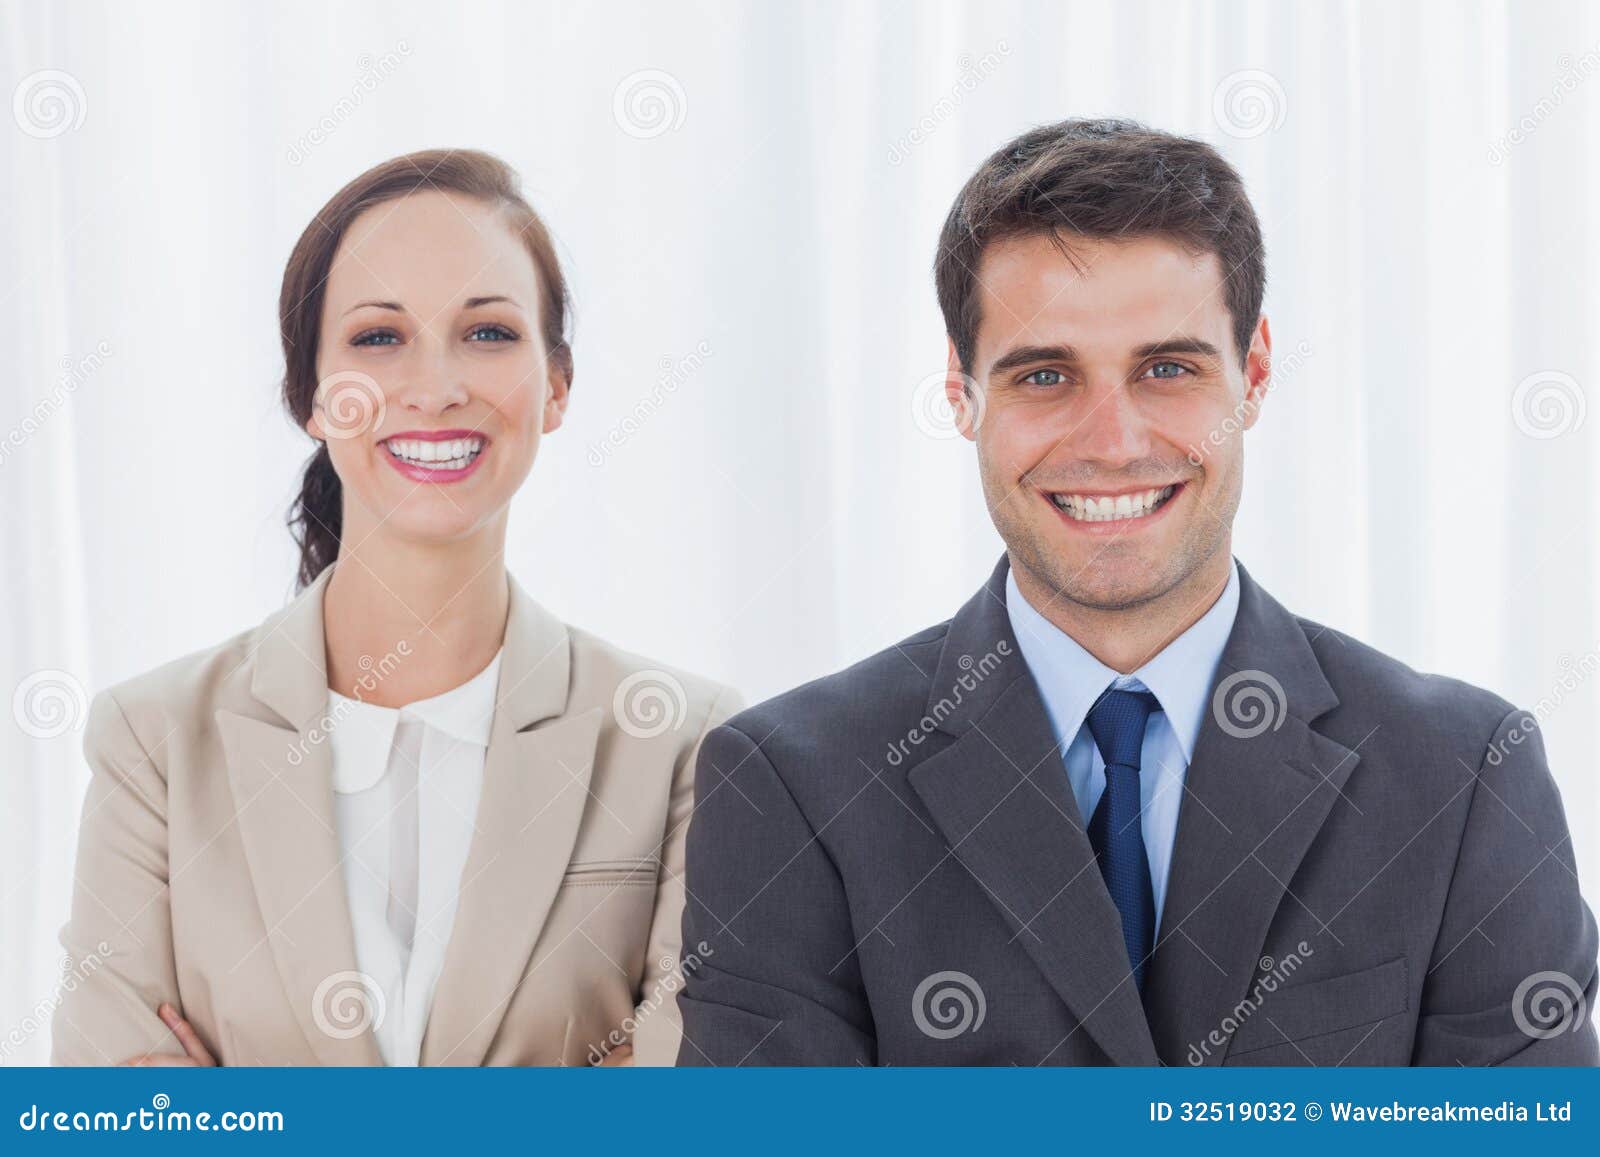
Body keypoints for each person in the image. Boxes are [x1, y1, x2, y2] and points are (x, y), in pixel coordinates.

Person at [676, 119, 1598, 1066]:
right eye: (1044, 373)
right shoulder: (793, 785)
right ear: (961, 391)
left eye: (1167, 369)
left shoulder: (1464, 776)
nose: (1112, 441)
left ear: (1257, 372)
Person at [52, 149, 737, 1067]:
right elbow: (115, 1114)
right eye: (379, 337)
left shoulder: (684, 744)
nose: (434, 386)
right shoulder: (155, 744)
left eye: (488, 333)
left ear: (558, 385)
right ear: (311, 396)